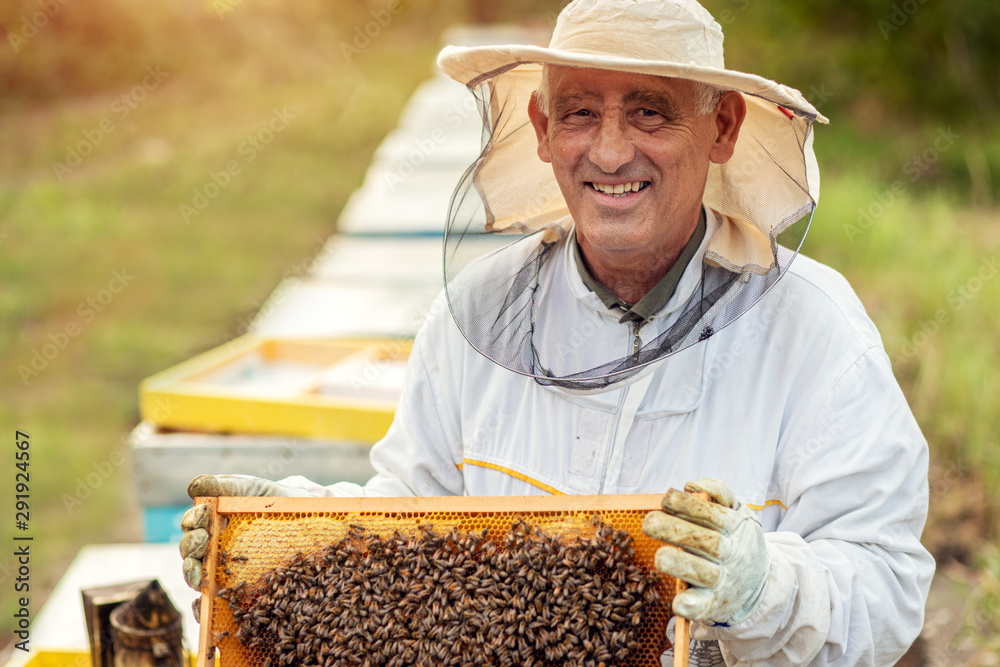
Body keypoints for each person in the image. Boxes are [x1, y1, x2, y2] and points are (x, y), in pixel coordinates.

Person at [179, 0, 934, 664]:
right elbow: (410, 527)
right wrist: (283, 531)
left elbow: (886, 587)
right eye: (578, 112)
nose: (609, 151)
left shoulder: (815, 335)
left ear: (722, 127)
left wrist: (762, 583)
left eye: (650, 112)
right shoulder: (472, 321)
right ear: (542, 130)